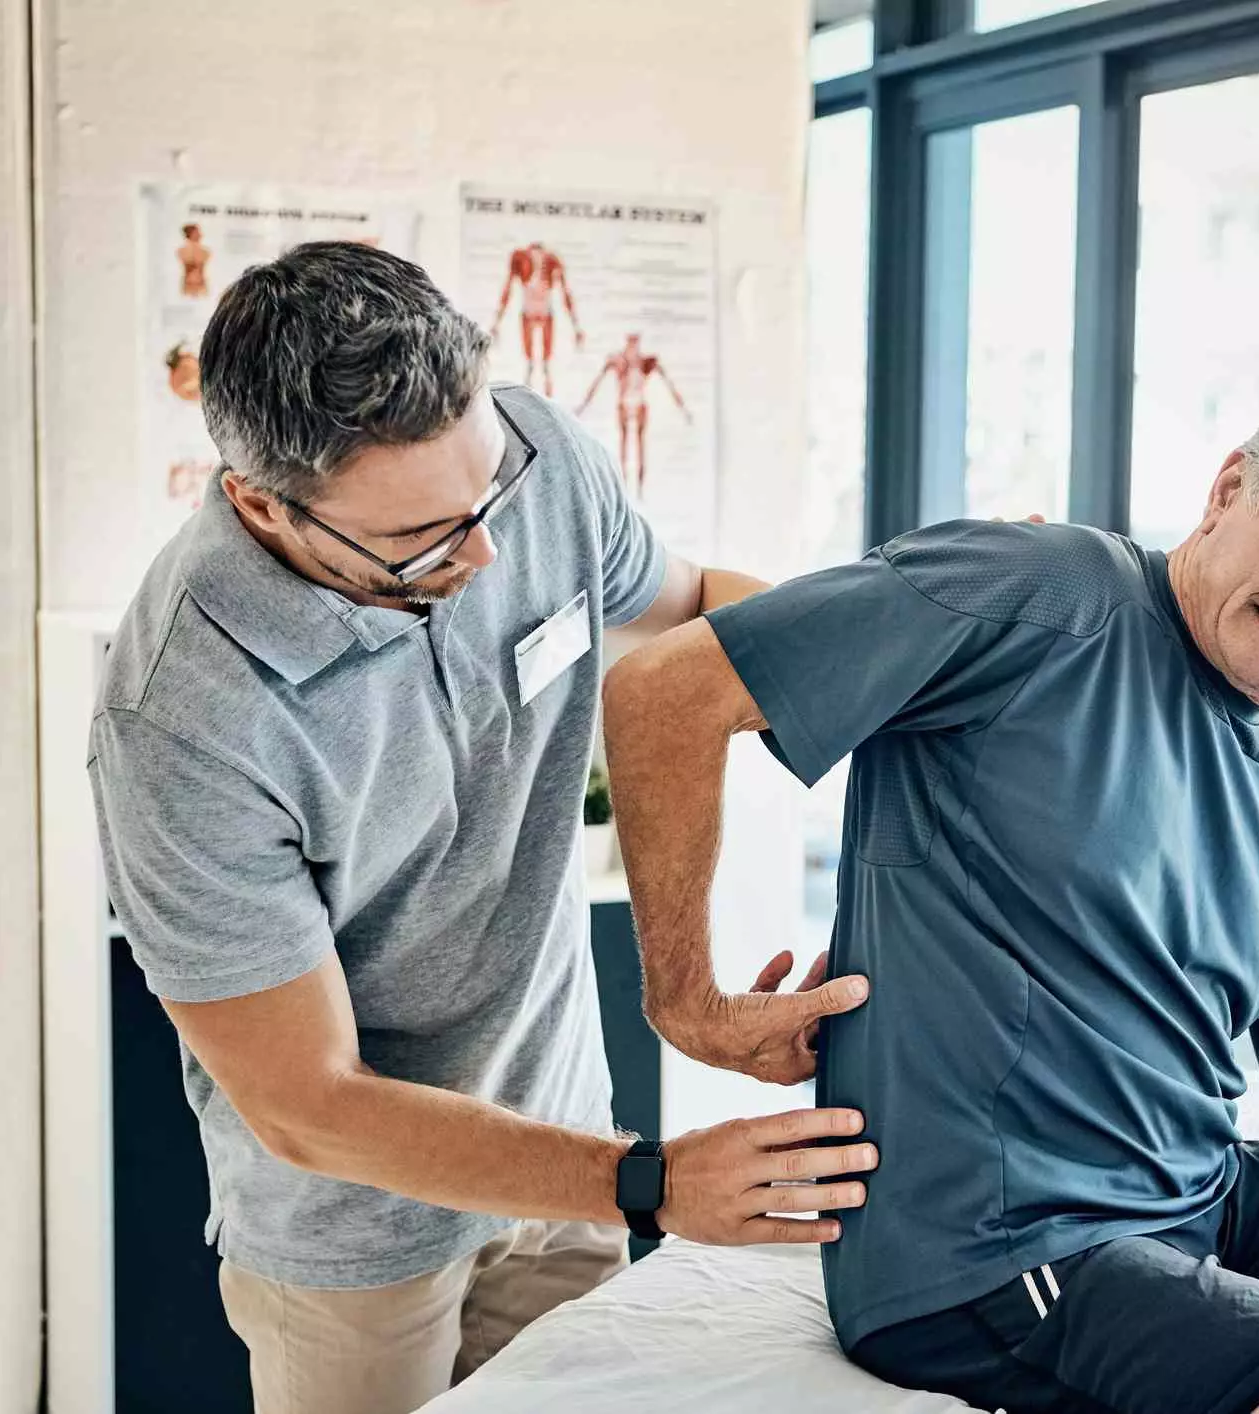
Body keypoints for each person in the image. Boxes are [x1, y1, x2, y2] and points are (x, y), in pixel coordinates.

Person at [603, 374, 1259, 1414]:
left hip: (1196, 1187)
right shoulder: (1032, 587)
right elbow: (667, 690)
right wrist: (687, 1000)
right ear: (1229, 489)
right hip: (994, 1242)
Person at [89, 242, 872, 1414]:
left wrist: (910, 656)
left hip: (566, 1147)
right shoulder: (185, 716)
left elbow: (700, 611)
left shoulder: (533, 462)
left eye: (488, 492)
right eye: (422, 540)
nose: (491, 552)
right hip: (354, 1231)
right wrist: (651, 1182)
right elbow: (311, 1103)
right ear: (262, 502)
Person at [577, 332, 690, 495]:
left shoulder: (647, 362)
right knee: (623, 444)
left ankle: (639, 489)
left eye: (635, 343)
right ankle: (624, 487)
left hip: (639, 405)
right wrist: (583, 406)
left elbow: (669, 384)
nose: (632, 346)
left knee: (640, 445)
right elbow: (598, 382)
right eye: (630, 342)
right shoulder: (618, 361)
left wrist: (683, 409)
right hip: (624, 404)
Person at [490, 240, 584, 396]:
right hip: (530, 313)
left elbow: (565, 293)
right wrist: (496, 322)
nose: (538, 257)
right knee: (531, 365)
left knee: (544, 366)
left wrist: (576, 326)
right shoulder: (521, 259)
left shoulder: (553, 261)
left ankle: (547, 402)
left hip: (544, 314)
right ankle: (530, 399)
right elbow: (508, 289)